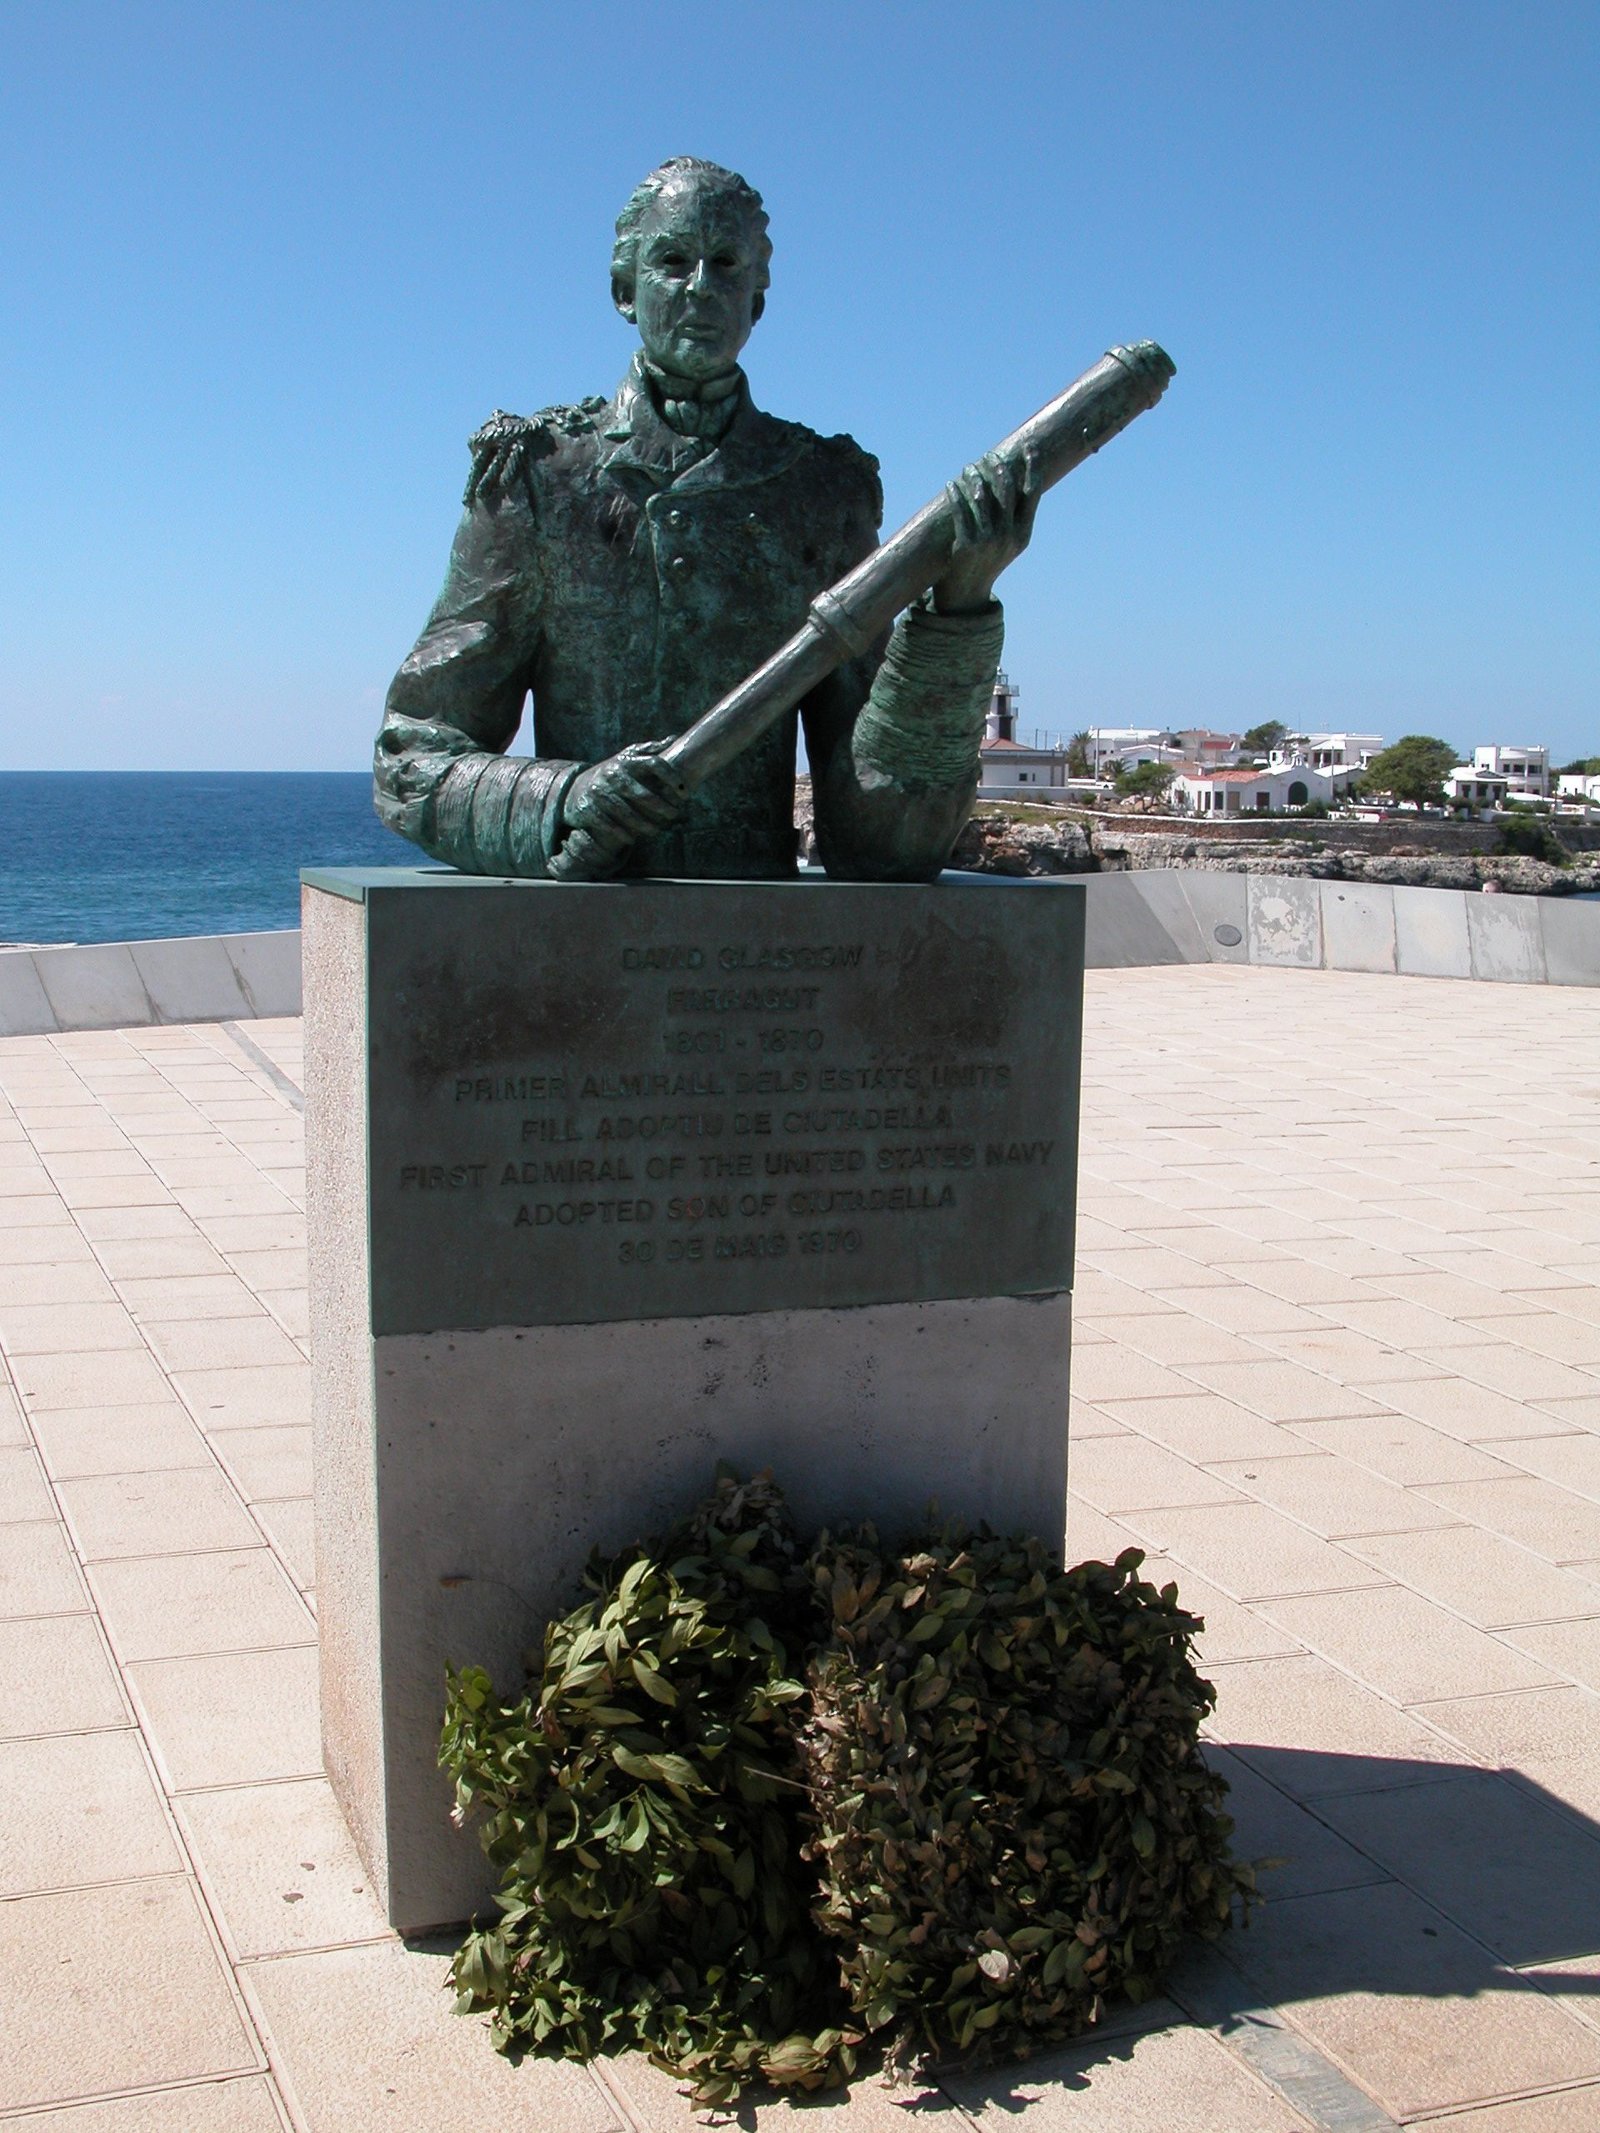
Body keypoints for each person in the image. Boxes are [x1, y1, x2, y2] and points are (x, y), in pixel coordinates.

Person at [374, 156, 1036, 882]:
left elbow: (882, 842)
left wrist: (960, 611)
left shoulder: (823, 489)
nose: (701, 287)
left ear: (757, 297)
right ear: (624, 290)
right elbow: (412, 756)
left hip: (761, 950)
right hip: (587, 941)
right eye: (673, 261)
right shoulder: (539, 477)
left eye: (725, 264)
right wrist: (562, 800)